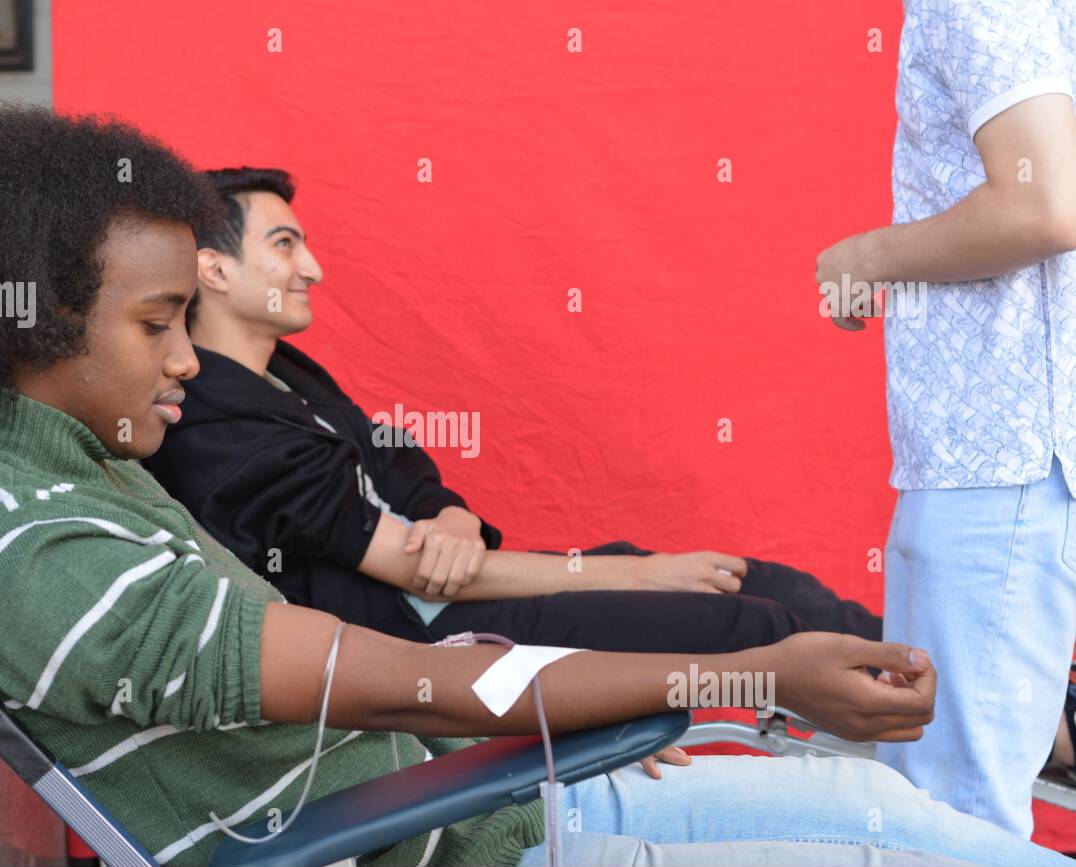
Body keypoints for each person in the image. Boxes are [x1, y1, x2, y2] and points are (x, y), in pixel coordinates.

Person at [0, 103, 1073, 867]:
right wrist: (732, 681)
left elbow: (406, 573)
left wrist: (577, 726)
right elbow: (413, 679)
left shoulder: (71, 465)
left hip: (481, 797)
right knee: (934, 865)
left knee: (928, 834)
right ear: (33, 322)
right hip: (475, 830)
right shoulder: (57, 563)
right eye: (156, 324)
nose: (185, 355)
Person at [142, 167, 881, 657]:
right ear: (213, 267)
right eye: (285, 244)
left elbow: (404, 470)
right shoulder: (215, 425)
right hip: (424, 644)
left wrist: (453, 517)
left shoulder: (288, 371)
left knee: (767, 580)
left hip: (460, 590)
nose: (313, 266)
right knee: (750, 622)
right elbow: (414, 573)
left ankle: (952, 687)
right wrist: (628, 577)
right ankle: (921, 746)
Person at [815, 0, 1076, 837]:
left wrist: (867, 255)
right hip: (1026, 448)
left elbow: (1044, 207)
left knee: (947, 827)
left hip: (1002, 454)